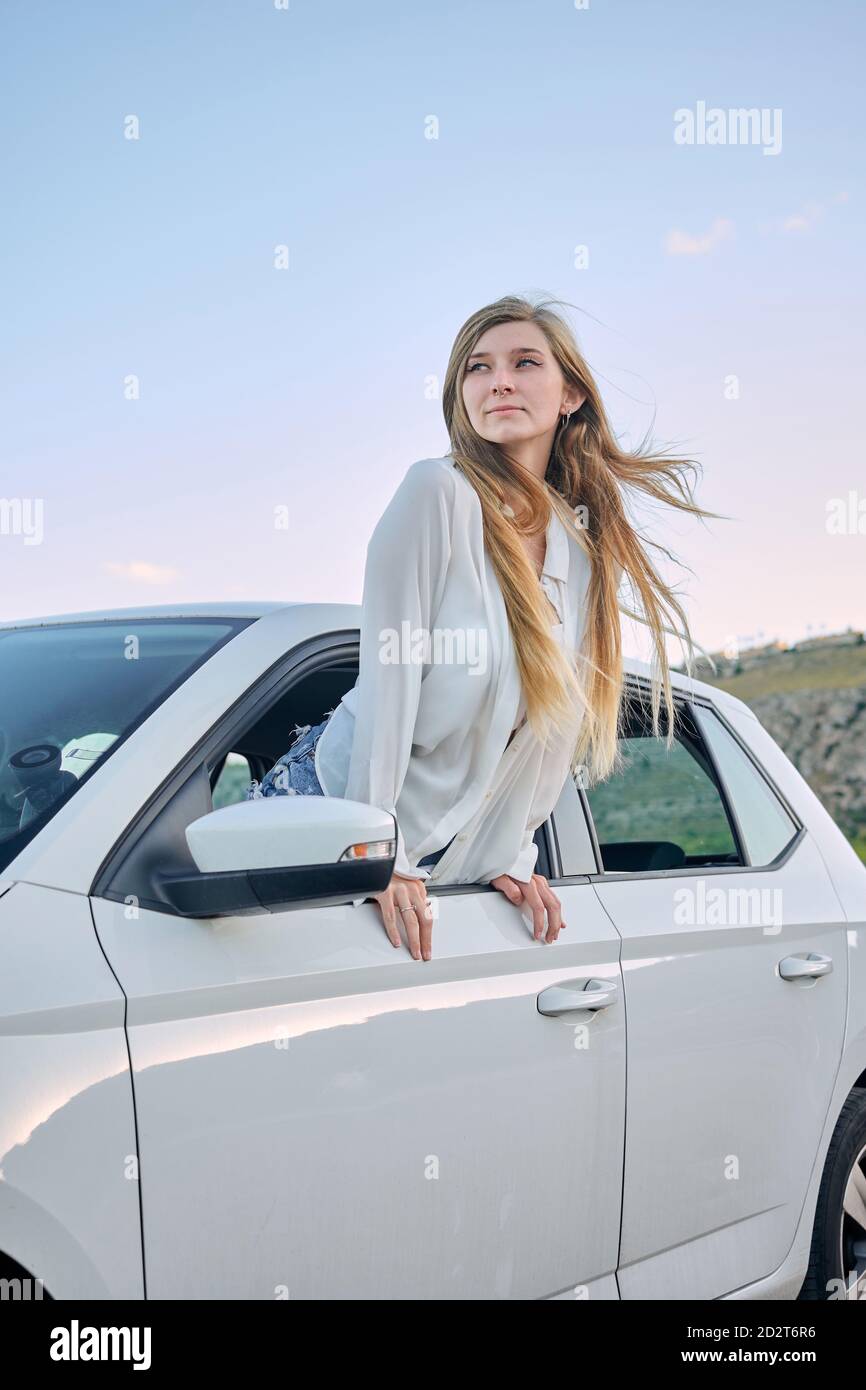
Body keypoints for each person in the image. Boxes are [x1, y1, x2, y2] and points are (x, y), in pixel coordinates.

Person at [247, 293, 721, 961]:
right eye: (476, 368)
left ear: (571, 395)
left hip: (428, 856)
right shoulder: (435, 495)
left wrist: (508, 852)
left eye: (524, 362)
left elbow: (546, 736)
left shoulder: (578, 549)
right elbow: (390, 681)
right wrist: (374, 854)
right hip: (328, 811)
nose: (497, 380)